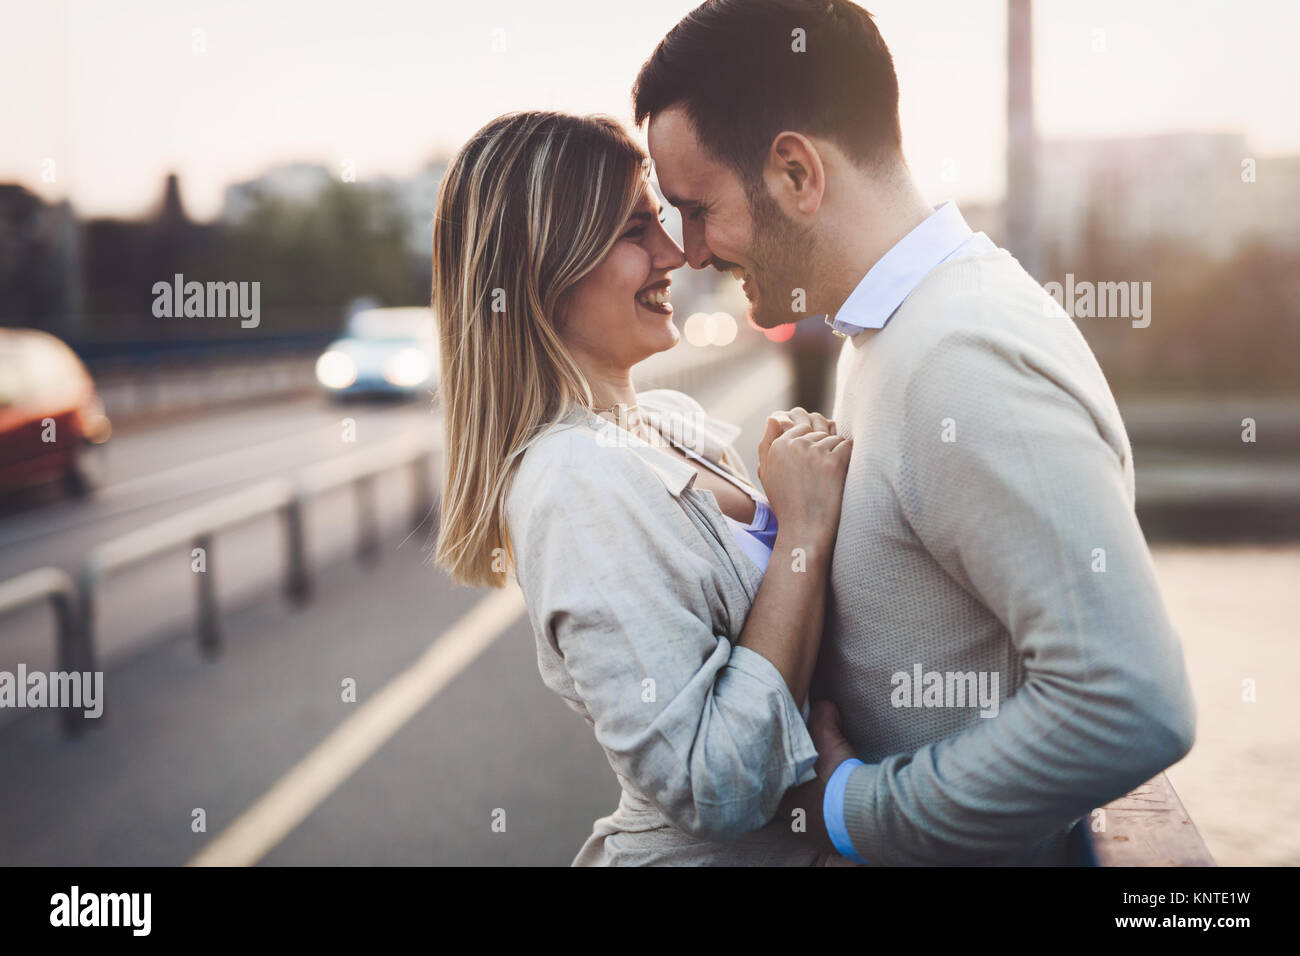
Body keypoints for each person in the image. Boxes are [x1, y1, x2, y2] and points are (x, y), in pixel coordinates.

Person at [636, 0, 1197, 864]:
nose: (694, 252)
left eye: (697, 208)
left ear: (795, 174)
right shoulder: (893, 333)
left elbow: (1127, 702)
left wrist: (856, 810)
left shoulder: (960, 356)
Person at [430, 110, 853, 865]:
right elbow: (712, 784)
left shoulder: (669, 420)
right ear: (544, 269)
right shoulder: (571, 481)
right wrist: (802, 536)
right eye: (635, 232)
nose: (675, 255)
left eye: (661, 220)